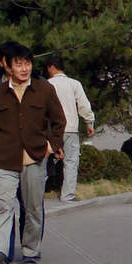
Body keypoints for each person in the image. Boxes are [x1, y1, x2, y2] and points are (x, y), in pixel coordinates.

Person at [0, 42, 66, 264]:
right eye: (19, 64)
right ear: (8, 67)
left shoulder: (44, 89)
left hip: (34, 158)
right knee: (3, 205)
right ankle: (0, 250)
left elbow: (59, 121)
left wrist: (51, 145)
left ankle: (30, 249)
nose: (24, 68)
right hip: (5, 159)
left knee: (33, 207)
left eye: (27, 63)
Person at [43, 54, 96, 200]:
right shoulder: (74, 84)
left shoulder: (47, 84)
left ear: (51, 67)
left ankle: (39, 190)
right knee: (71, 162)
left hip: (52, 129)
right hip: (70, 128)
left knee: (44, 158)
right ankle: (68, 194)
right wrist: (89, 123)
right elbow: (84, 105)